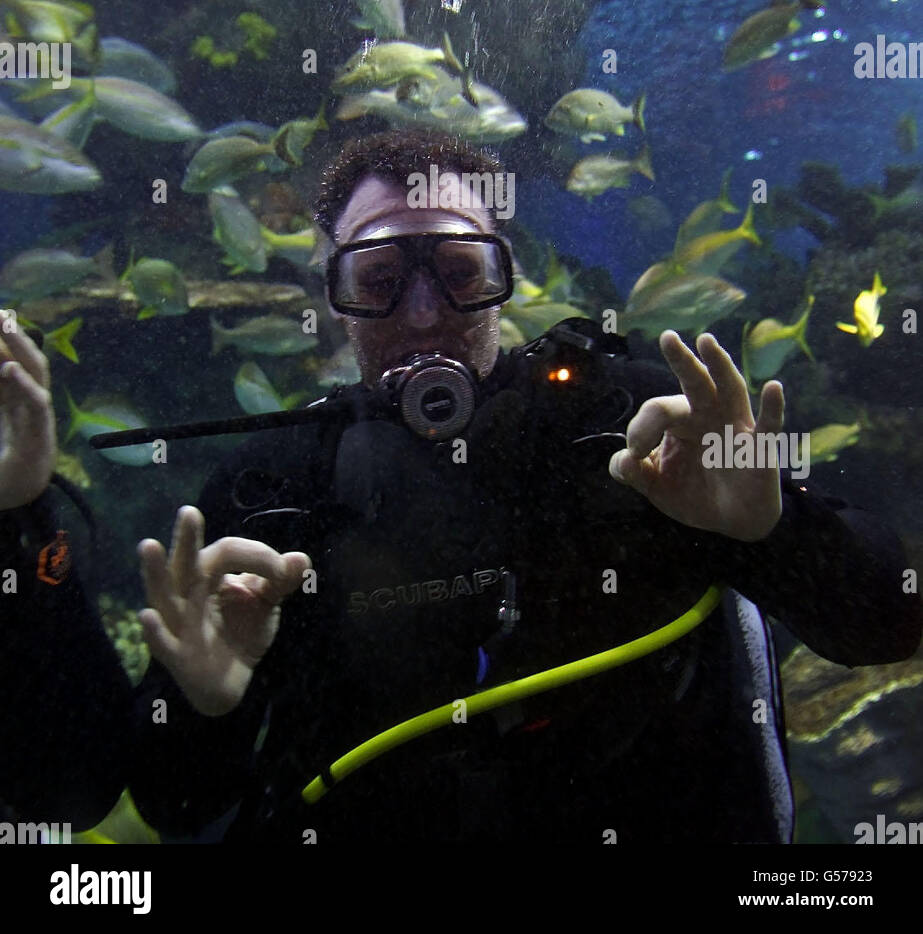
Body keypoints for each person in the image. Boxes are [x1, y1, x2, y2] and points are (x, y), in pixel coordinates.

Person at [0, 129, 920, 843]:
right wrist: (205, 705)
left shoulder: (643, 430)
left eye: (458, 272)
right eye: (379, 279)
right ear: (332, 301)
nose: (423, 313)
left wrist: (772, 528)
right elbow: (170, 801)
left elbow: (888, 622)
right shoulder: (274, 491)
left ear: (506, 282)